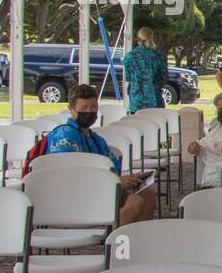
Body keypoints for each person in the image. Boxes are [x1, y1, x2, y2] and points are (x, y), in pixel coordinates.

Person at [45, 84, 156, 225]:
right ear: (71, 110)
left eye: (93, 107)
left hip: (100, 188)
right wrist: (116, 183)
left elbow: (112, 167)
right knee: (134, 202)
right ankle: (114, 241)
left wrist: (129, 179)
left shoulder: (96, 138)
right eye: (84, 108)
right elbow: (70, 175)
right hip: (74, 194)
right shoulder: (64, 136)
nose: (90, 112)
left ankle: (135, 240)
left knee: (148, 195)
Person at [187, 91, 222, 188]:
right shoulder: (215, 132)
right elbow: (195, 147)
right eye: (219, 108)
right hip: (209, 185)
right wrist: (193, 148)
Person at [122, 26, 168, 111]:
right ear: (152, 38)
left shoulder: (129, 57)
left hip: (136, 101)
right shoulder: (160, 57)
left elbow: (128, 78)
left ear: (138, 39)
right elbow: (164, 78)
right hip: (155, 100)